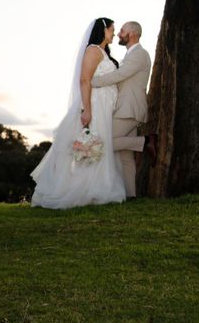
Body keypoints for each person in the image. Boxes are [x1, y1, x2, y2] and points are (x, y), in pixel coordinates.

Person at [30, 18, 126, 208]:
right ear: (103, 29)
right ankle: (82, 189)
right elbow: (84, 80)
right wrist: (87, 110)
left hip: (106, 106)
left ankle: (98, 186)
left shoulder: (104, 53)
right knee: (92, 143)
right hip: (95, 104)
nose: (114, 33)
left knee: (102, 144)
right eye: (111, 29)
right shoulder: (93, 50)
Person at [91, 21, 152, 198]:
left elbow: (120, 76)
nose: (119, 34)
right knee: (126, 157)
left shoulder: (140, 54)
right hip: (127, 108)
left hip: (129, 108)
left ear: (132, 34)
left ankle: (146, 142)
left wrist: (93, 82)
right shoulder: (131, 55)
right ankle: (130, 195)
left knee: (104, 143)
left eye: (123, 31)